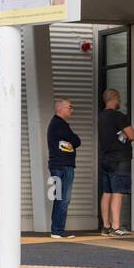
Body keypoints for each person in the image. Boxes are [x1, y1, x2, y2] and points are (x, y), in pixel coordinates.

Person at [98, 89, 134, 236]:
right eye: (119, 98)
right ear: (115, 98)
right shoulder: (118, 116)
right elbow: (132, 135)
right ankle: (116, 227)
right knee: (118, 192)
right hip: (119, 158)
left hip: (105, 158)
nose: (120, 101)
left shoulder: (101, 117)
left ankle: (106, 226)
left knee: (107, 192)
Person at [47, 98, 82, 239]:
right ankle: (57, 230)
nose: (72, 109)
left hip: (59, 166)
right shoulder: (59, 124)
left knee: (60, 198)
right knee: (62, 198)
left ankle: (57, 230)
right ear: (60, 109)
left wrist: (73, 140)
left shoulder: (59, 124)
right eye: (70, 107)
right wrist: (73, 140)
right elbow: (76, 141)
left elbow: (74, 141)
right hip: (62, 166)